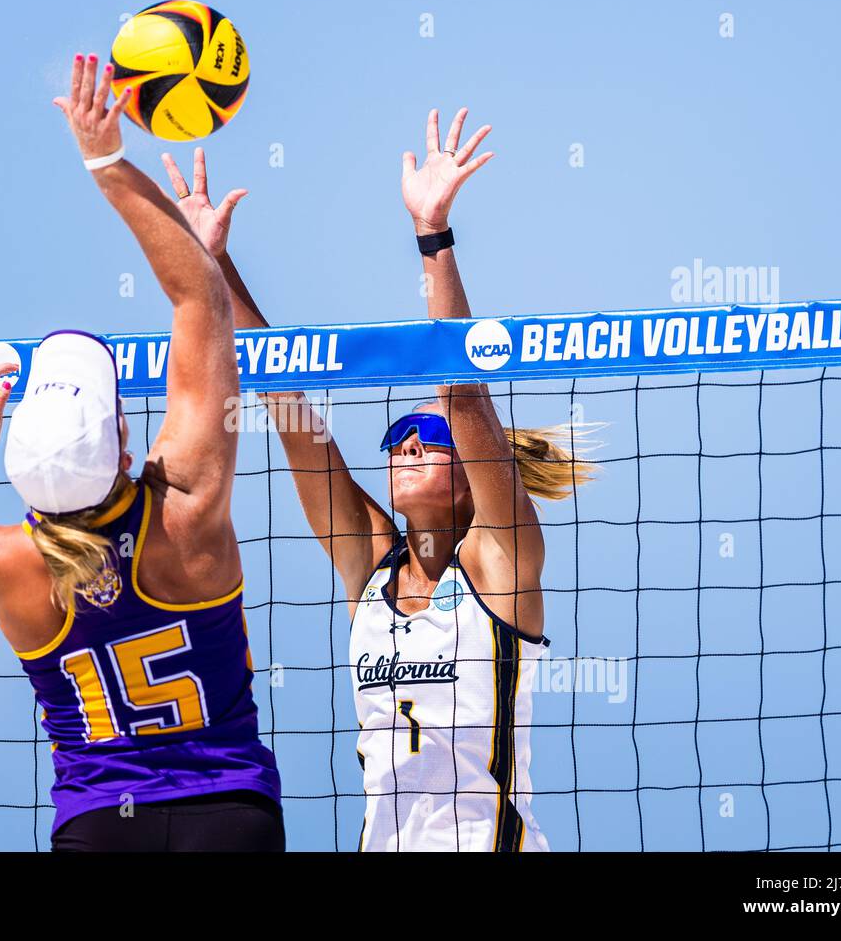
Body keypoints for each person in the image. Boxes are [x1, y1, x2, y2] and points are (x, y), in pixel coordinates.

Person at [161, 108, 596, 851]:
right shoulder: (369, 562)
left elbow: (462, 392)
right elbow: (284, 401)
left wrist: (433, 235)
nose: (402, 446)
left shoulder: (501, 563)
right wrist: (213, 267)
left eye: (425, 437)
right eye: (395, 436)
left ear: (471, 472)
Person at [0, 53, 282, 852]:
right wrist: (107, 161)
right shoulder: (186, 514)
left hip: (100, 828)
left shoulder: (2, 561)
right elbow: (201, 298)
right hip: (230, 816)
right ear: (122, 443)